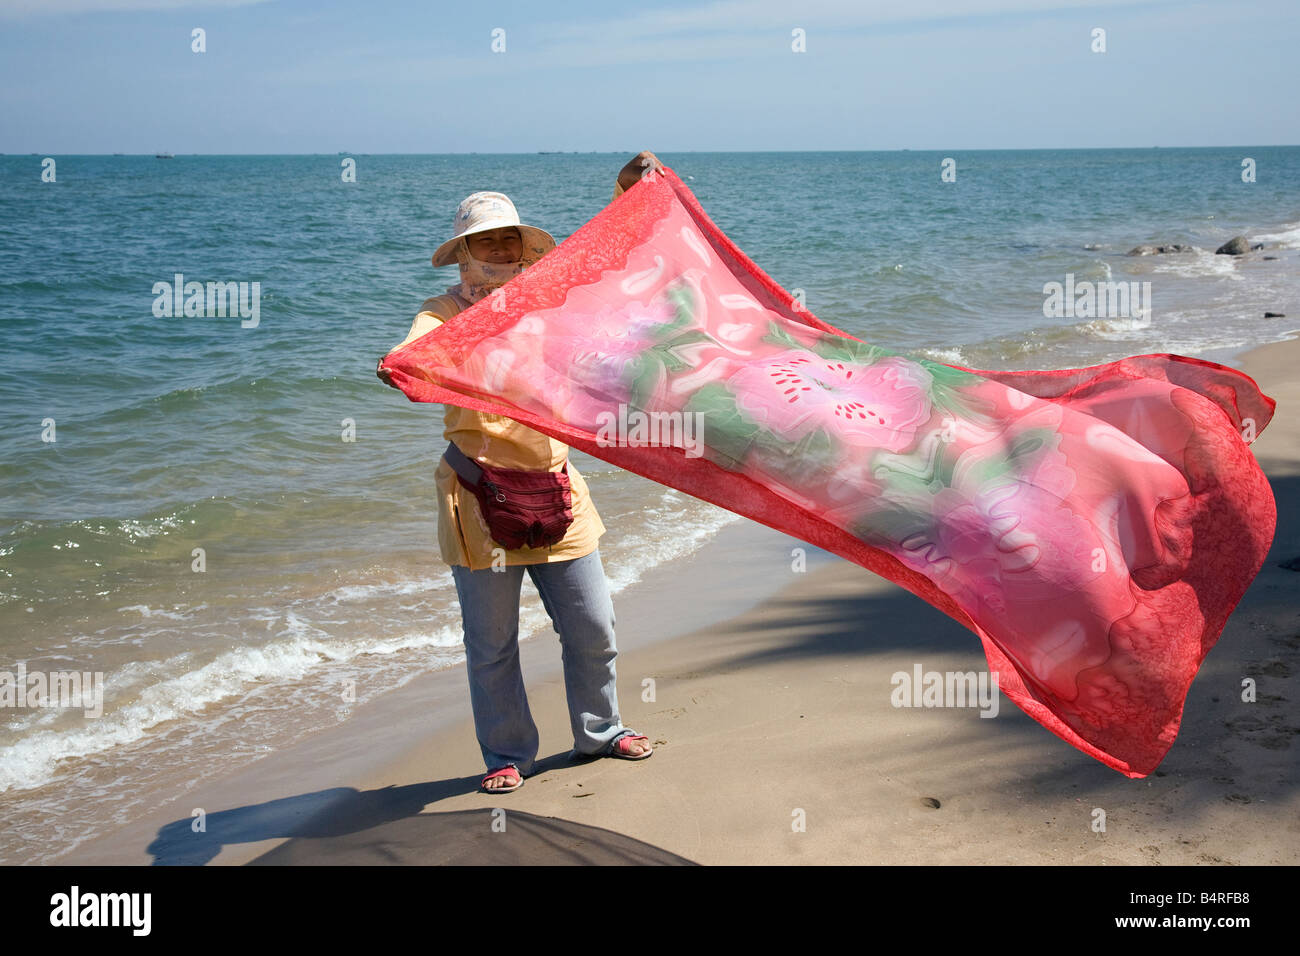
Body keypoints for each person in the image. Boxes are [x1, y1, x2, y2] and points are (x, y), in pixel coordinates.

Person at [378, 152, 665, 792]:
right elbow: (413, 350)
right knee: (493, 644)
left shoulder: (545, 300)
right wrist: (401, 363)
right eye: (487, 241)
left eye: (510, 239)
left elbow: (608, 258)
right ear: (464, 253)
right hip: (478, 497)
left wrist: (631, 185)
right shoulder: (445, 311)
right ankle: (508, 754)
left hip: (557, 486)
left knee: (593, 626)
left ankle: (601, 731)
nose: (501, 249)